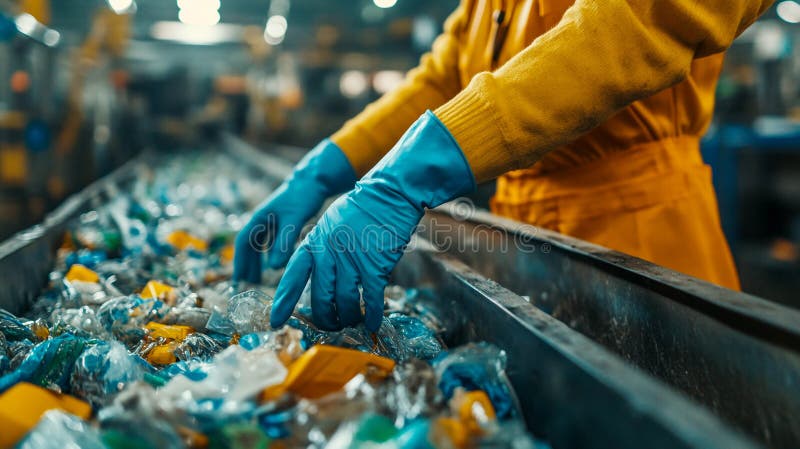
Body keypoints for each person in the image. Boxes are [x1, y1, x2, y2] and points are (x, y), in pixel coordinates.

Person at [234, 0, 774, 332]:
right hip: (523, 241)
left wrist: (410, 173)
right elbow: (446, 75)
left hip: (639, 240)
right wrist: (327, 166)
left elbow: (635, 22)